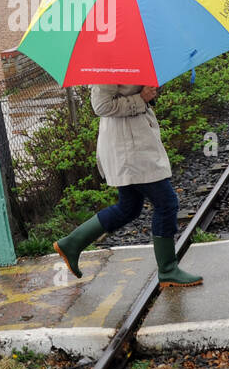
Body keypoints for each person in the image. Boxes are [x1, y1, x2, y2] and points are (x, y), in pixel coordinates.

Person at [52, 84, 202, 287]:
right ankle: (168, 269)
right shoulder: (107, 64)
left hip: (135, 142)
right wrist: (140, 99)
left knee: (129, 208)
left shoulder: (129, 59)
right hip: (129, 148)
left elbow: (128, 92)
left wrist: (149, 91)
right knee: (166, 203)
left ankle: (72, 243)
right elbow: (101, 106)